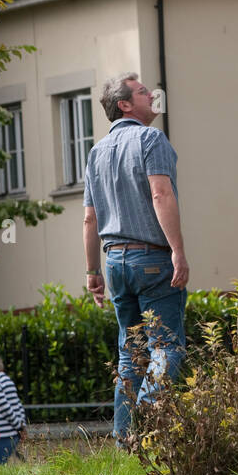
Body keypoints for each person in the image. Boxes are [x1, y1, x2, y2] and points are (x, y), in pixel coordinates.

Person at [83, 72, 189, 446]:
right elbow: (161, 195)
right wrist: (177, 249)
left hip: (114, 263)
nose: (152, 95)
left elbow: (90, 218)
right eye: (144, 92)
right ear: (125, 104)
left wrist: (92, 271)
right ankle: (146, 419)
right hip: (151, 259)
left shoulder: (96, 152)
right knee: (167, 347)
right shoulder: (150, 139)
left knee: (130, 354)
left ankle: (124, 441)